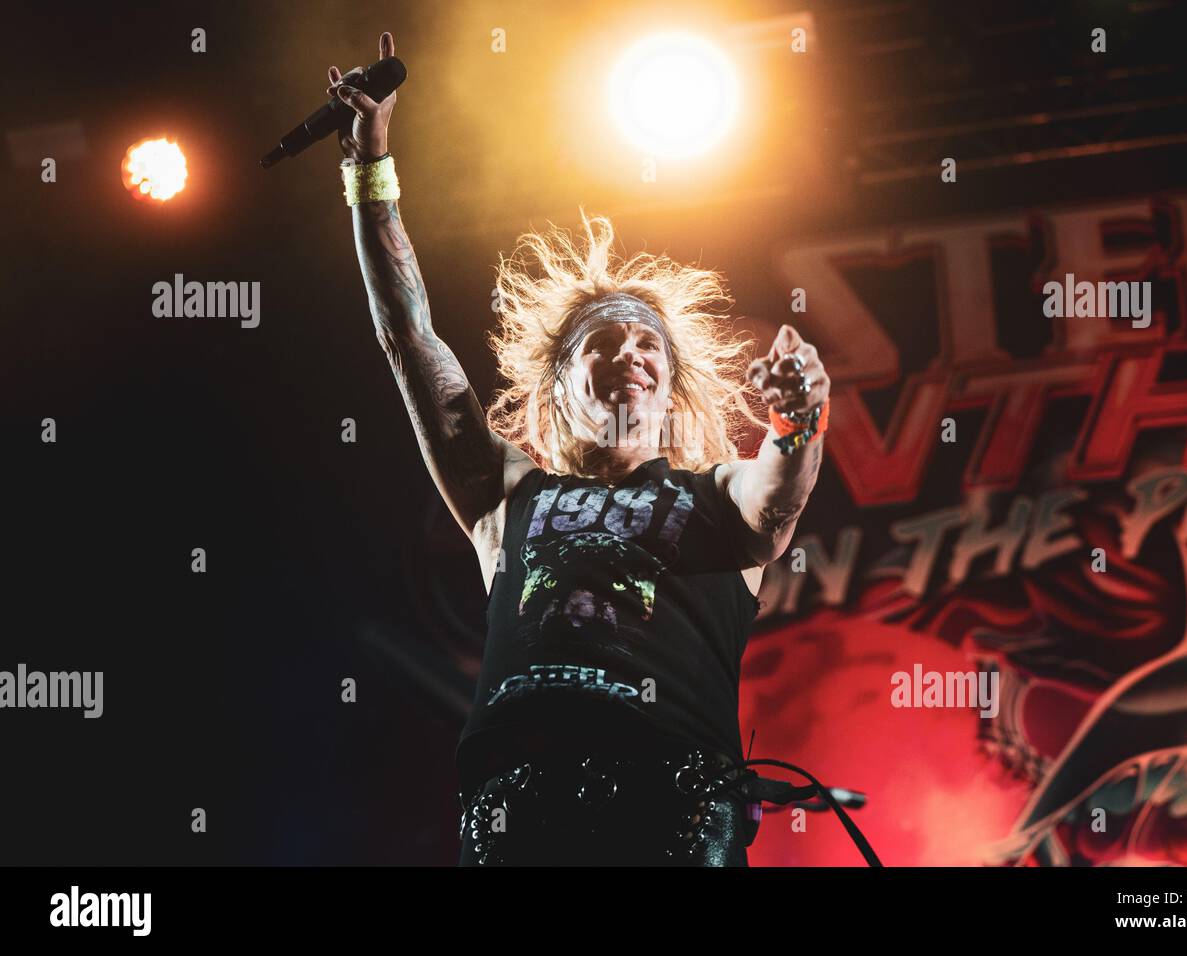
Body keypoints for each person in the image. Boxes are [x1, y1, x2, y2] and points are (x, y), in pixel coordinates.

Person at [330, 32, 831, 865]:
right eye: (606, 339)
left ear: (668, 388)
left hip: (672, 818)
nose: (632, 352)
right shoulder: (505, 498)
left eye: (651, 347)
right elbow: (409, 339)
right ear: (558, 381)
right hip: (519, 820)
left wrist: (798, 419)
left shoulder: (713, 499)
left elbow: (780, 492)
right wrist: (368, 176)